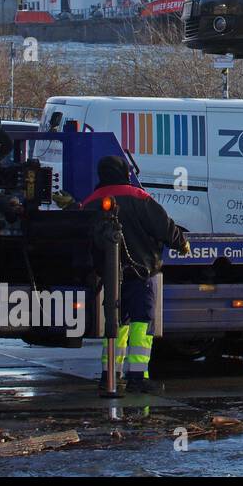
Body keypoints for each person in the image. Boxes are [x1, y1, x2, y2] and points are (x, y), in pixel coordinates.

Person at [79, 156, 189, 394]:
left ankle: (110, 375)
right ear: (125, 173)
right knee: (141, 324)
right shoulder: (139, 197)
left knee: (116, 324)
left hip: (109, 276)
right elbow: (163, 226)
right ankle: (138, 378)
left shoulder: (91, 201)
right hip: (140, 272)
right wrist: (181, 242)